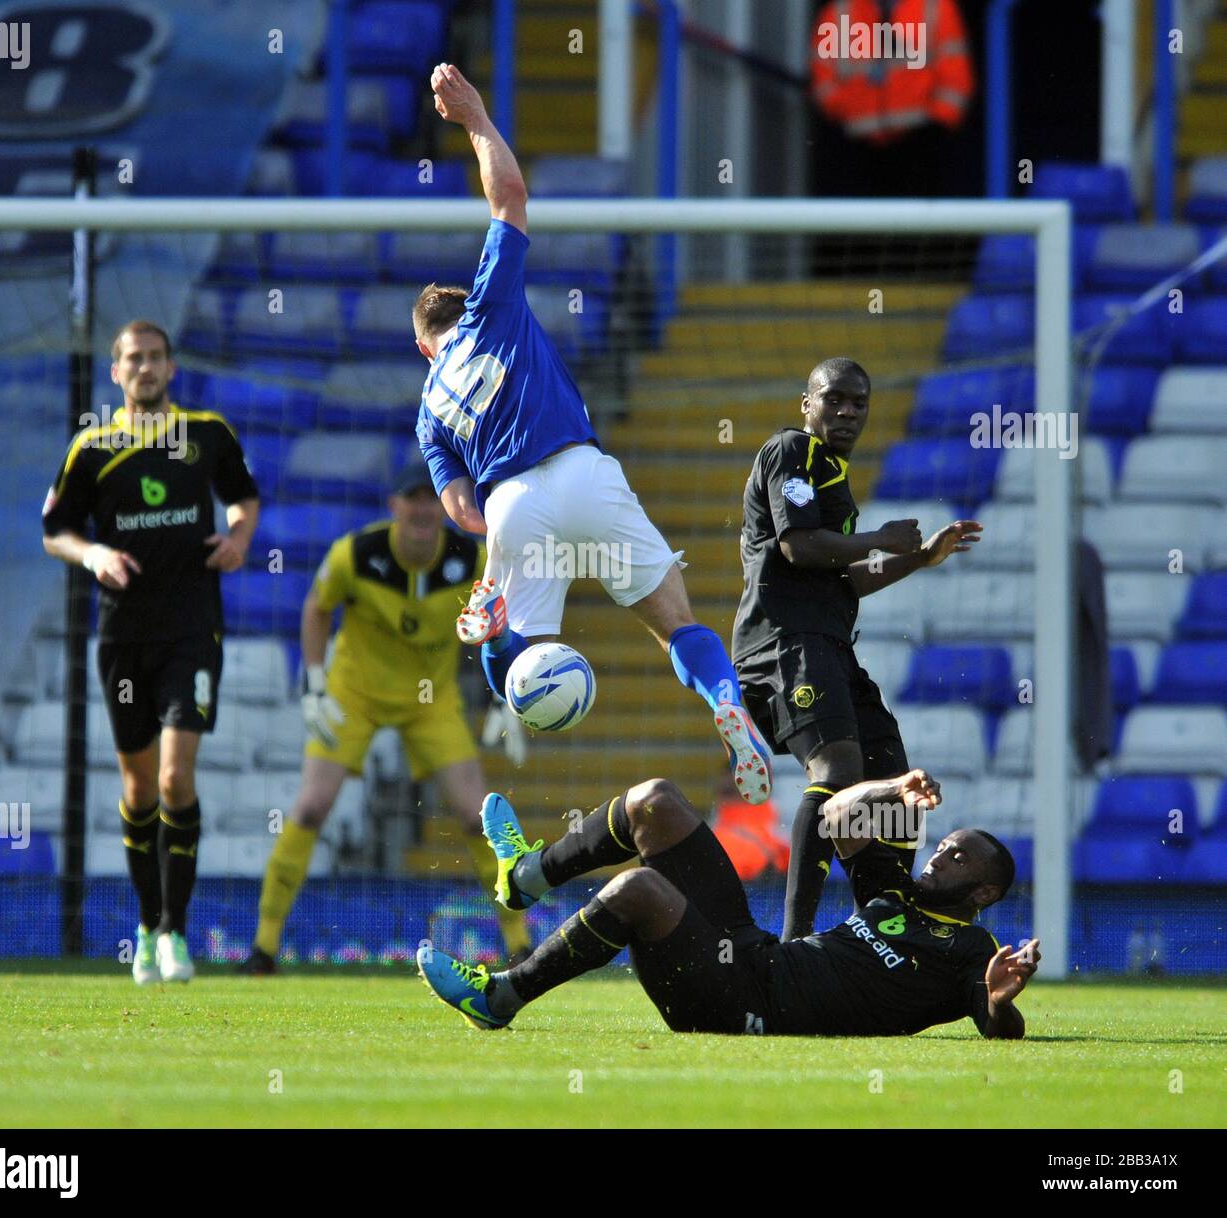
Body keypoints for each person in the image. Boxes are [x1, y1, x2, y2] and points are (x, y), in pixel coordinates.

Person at [412, 62, 773, 804]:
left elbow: (457, 507)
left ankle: (502, 659)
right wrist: (476, 117)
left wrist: (494, 554)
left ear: (424, 347)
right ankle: (725, 706)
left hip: (510, 503)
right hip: (580, 472)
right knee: (675, 622)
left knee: (514, 645)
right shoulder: (491, 308)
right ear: (462, 310)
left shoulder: (427, 411)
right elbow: (509, 196)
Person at [418, 770, 1038, 1039]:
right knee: (655, 802)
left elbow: (995, 1027)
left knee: (641, 890)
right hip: (754, 955)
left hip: (752, 1005)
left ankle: (502, 996)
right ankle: (527, 875)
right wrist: (891, 790)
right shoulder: (897, 892)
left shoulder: (971, 952)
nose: (940, 856)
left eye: (960, 859)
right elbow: (829, 820)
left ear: (984, 894)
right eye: (947, 844)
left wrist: (998, 1003)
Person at [242, 464, 530, 974]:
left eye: (429, 501)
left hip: (432, 700)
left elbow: (504, 622)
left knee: (476, 818)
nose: (421, 510)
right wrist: (313, 683)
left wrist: (505, 697)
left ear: (442, 510)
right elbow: (315, 609)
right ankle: (263, 949)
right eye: (410, 500)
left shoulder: (472, 560)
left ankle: (522, 947)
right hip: (356, 693)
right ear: (394, 506)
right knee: (310, 809)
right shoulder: (356, 553)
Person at [733, 357, 982, 940]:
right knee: (838, 768)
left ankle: (886, 924)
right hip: (783, 640)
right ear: (807, 403)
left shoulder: (834, 479)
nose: (847, 411)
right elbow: (797, 547)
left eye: (858, 403)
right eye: (834, 398)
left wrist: (921, 557)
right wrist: (879, 538)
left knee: (890, 772)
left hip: (829, 644)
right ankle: (793, 942)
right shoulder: (791, 451)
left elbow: (848, 577)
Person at [41, 320, 260, 984]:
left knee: (173, 779)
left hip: (192, 628)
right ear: (115, 373)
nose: (145, 367)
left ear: (170, 368)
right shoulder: (93, 448)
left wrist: (241, 537)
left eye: (155, 357)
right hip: (123, 635)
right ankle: (145, 923)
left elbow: (244, 497)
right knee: (138, 790)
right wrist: (94, 552)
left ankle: (176, 934)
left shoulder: (206, 435)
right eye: (133, 358)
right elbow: (55, 530)